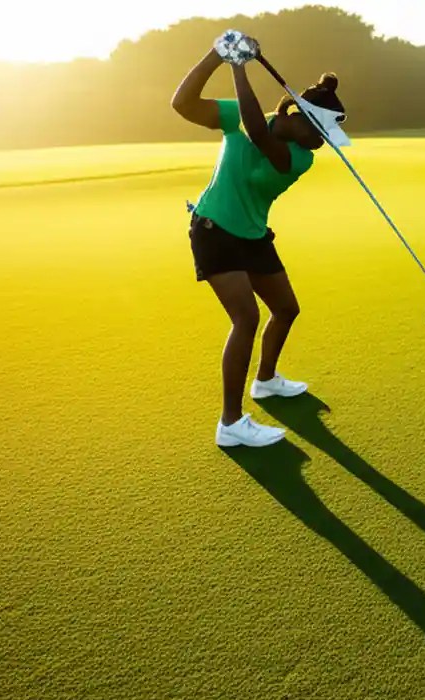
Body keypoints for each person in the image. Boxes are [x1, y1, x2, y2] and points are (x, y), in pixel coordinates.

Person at [170, 35, 349, 447]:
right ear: (301, 117)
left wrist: (239, 66)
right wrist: (218, 56)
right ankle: (230, 424)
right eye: (320, 132)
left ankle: (266, 381)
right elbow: (182, 104)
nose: (323, 144)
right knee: (246, 319)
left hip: (252, 236)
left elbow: (257, 131)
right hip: (215, 229)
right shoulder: (241, 115)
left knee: (286, 308)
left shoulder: (299, 159)